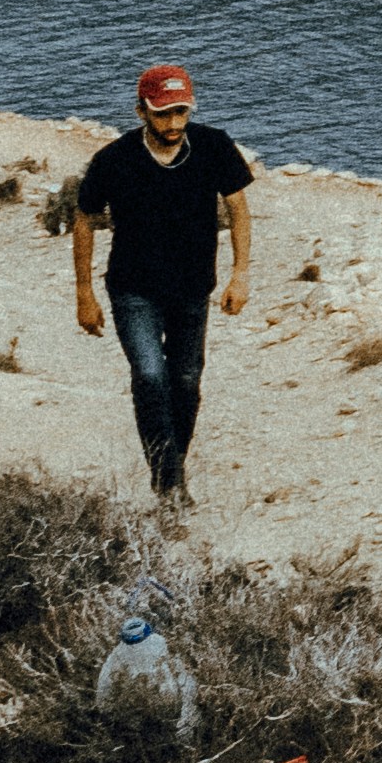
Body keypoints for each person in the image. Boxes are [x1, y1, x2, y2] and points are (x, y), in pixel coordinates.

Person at [67, 62, 256, 509]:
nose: (173, 124)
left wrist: (241, 274)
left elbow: (240, 211)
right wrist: (84, 293)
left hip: (193, 288)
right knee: (151, 376)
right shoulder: (113, 160)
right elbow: (84, 221)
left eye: (181, 113)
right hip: (133, 289)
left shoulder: (214, 146)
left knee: (186, 382)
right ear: (141, 112)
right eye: (163, 114)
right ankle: (172, 486)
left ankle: (167, 472)